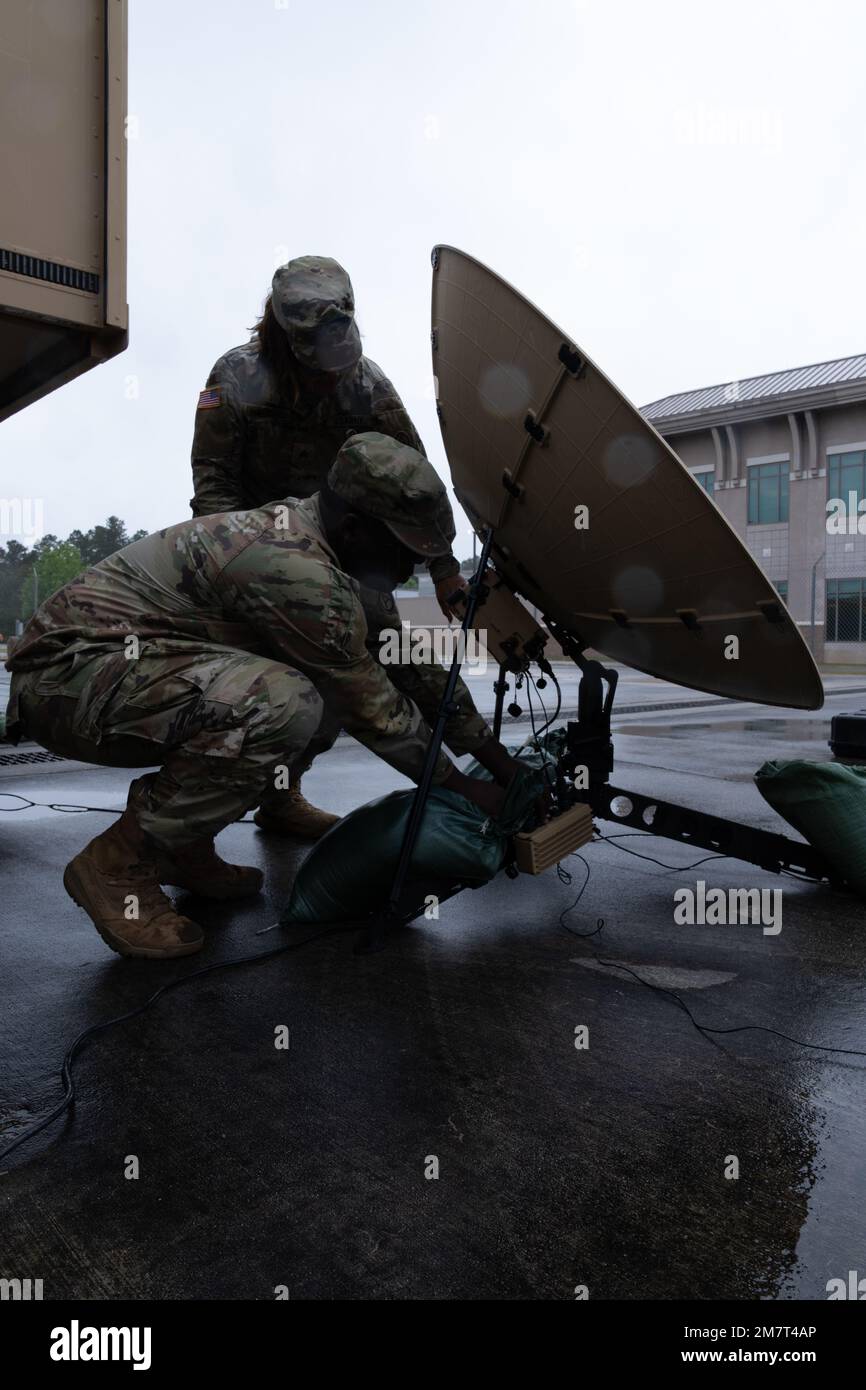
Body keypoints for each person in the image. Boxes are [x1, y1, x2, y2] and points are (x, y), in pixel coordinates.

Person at [5, 434, 522, 961]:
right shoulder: (293, 567)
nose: (410, 571)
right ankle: (116, 864)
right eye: (407, 556)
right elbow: (372, 707)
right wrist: (462, 788)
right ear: (354, 528)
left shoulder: (344, 560)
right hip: (67, 679)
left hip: (127, 669)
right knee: (283, 701)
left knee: (311, 695)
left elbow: (410, 665)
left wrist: (499, 763)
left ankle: (186, 845)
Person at [190, 254, 467, 838]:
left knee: (397, 664)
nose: (331, 382)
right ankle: (187, 830)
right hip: (252, 554)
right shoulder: (234, 377)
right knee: (271, 698)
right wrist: (232, 573)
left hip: (344, 551)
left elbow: (409, 477)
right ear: (286, 342)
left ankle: (285, 796)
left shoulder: (366, 382)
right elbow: (214, 481)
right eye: (320, 372)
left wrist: (444, 570)